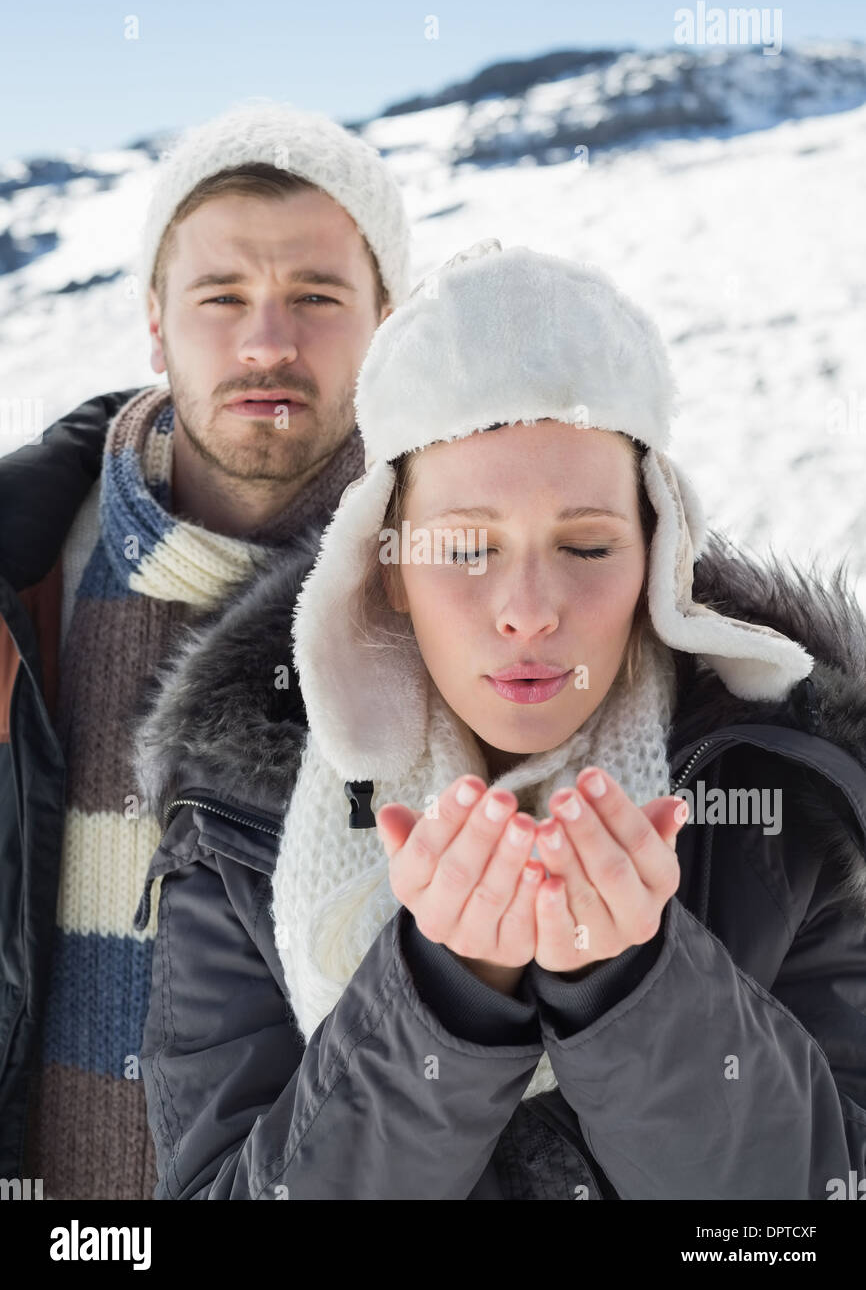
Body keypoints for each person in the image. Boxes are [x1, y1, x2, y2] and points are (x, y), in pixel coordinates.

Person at [135, 239, 866, 1199]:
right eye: (467, 545)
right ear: (385, 565)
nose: (528, 607)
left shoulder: (785, 797)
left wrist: (634, 986)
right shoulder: (236, 822)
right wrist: (444, 998)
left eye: (588, 546)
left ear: (659, 557)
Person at [0, 99, 410, 1197]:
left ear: (389, 317)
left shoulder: (458, 601)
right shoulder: (22, 579)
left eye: (316, 298)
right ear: (154, 320)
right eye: (220, 296)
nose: (266, 341)